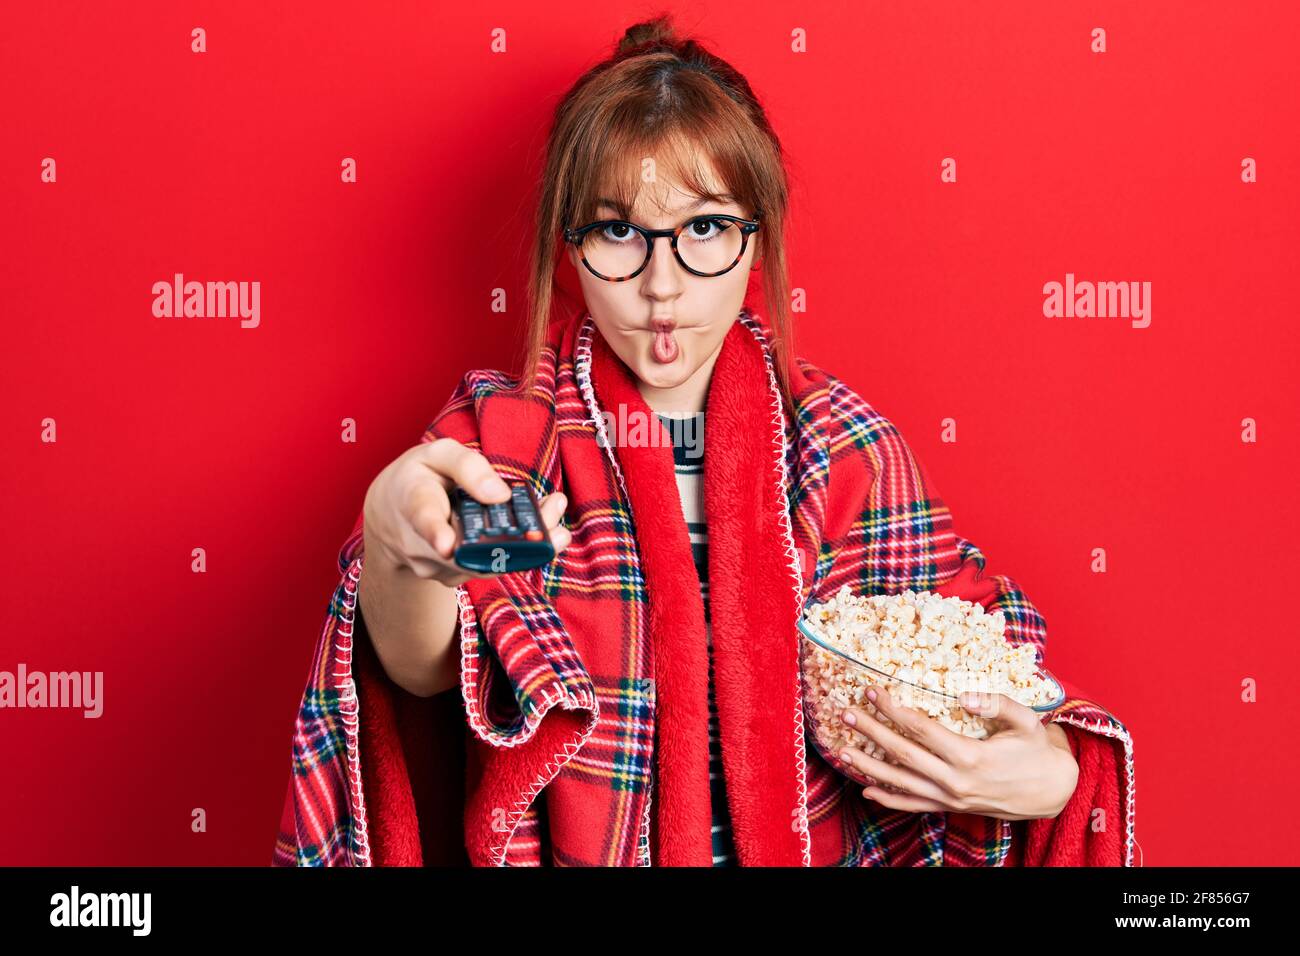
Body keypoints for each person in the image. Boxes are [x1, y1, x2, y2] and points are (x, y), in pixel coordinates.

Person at [273, 14, 1135, 867]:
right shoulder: (503, 439)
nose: (662, 285)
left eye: (706, 229)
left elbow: (982, 655)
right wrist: (397, 551)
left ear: (756, 236)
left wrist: (1057, 775)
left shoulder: (841, 443)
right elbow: (420, 676)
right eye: (618, 232)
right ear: (567, 247)